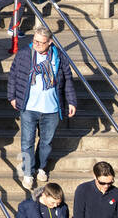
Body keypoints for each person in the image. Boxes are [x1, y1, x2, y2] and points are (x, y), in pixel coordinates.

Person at [8, 27, 77, 189]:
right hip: (29, 106)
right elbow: (13, 74)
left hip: (51, 107)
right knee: (27, 142)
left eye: (41, 42)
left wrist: (71, 101)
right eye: (35, 41)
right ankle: (27, 172)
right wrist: (11, 96)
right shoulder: (25, 54)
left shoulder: (59, 56)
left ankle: (40, 167)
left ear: (50, 42)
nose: (37, 44)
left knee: (46, 142)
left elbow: (67, 79)